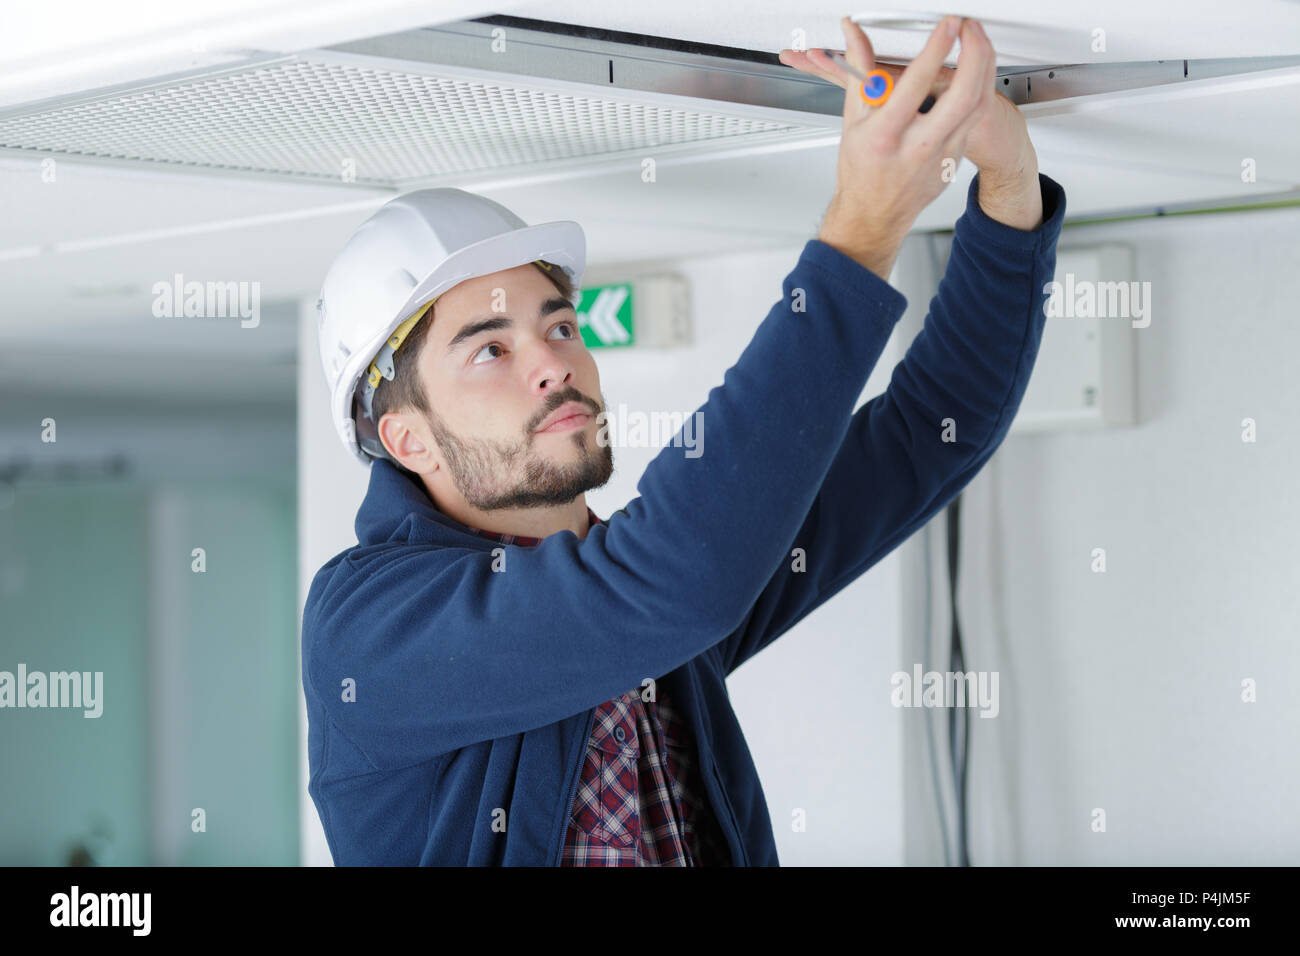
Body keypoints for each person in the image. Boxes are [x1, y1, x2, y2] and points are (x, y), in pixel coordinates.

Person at [302, 14, 1066, 865]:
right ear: (408, 440)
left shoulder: (658, 595)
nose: (553, 365)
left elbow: (935, 430)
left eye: (558, 326)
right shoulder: (368, 627)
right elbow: (669, 582)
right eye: (490, 348)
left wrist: (1008, 182)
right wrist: (861, 231)